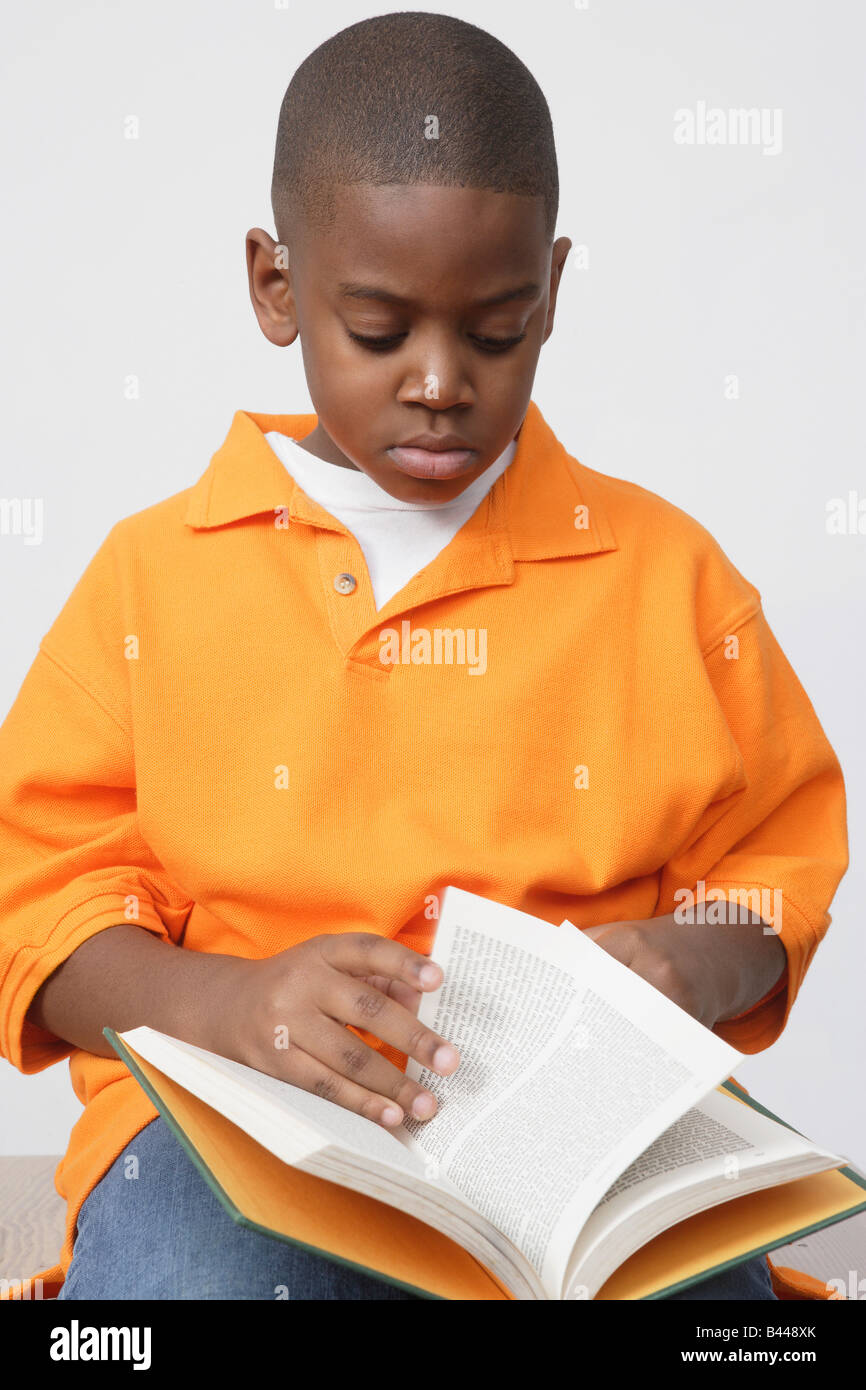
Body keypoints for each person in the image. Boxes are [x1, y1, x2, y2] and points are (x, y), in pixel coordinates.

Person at [0, 12, 847, 1301]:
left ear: (552, 289)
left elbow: (776, 871)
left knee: (716, 1317)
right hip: (233, 1122)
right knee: (196, 1289)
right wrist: (226, 1007)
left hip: (574, 1147)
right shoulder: (155, 573)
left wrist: (697, 962)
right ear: (276, 288)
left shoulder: (665, 575)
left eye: (496, 332)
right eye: (383, 332)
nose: (441, 383)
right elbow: (39, 908)